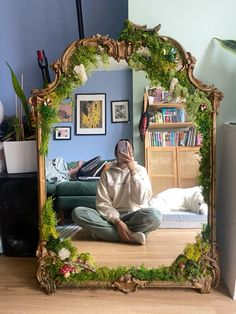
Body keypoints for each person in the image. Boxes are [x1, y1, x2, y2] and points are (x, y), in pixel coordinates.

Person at [72, 138, 162, 245]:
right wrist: (118, 222)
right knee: (78, 213)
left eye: (127, 150)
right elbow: (102, 203)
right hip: (113, 217)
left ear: (132, 153)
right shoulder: (107, 172)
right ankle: (133, 235)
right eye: (121, 149)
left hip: (135, 215)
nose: (123, 152)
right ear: (115, 153)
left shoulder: (140, 170)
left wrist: (133, 171)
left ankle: (106, 234)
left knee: (155, 215)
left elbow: (140, 200)